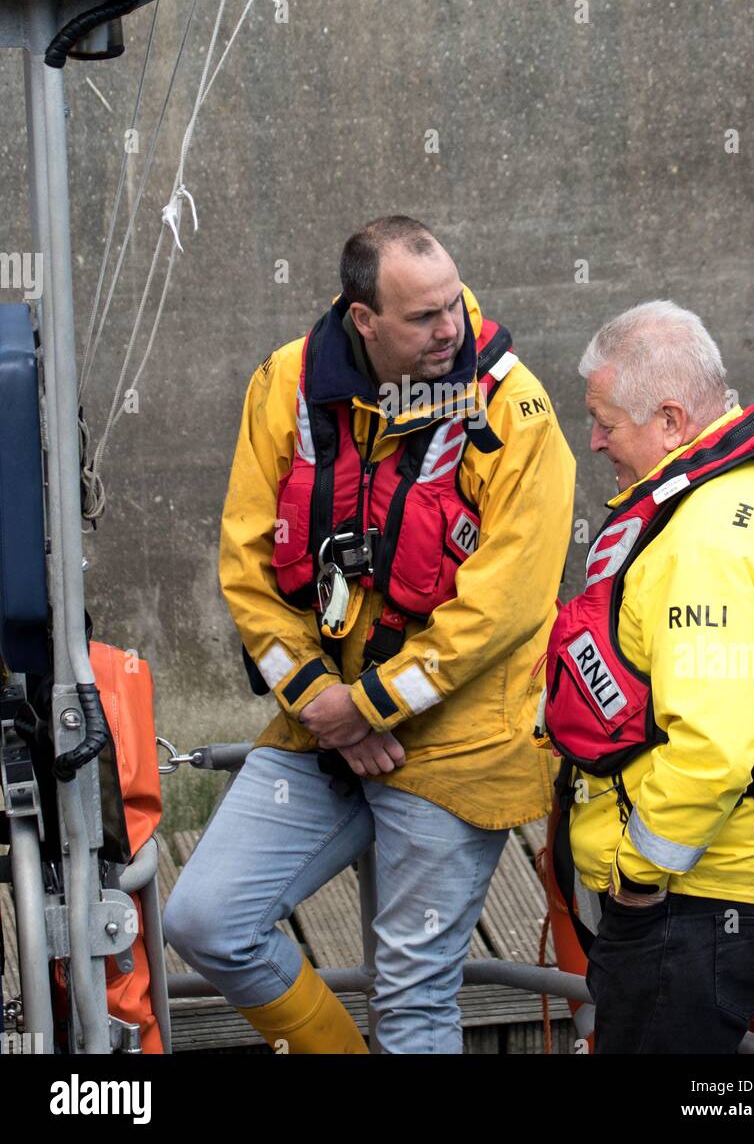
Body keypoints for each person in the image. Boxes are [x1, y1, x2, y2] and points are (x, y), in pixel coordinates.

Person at [164, 215, 575, 1054]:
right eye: (422, 317)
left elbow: (507, 606)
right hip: (326, 725)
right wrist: (324, 702)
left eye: (452, 305)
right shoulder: (285, 383)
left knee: (414, 993)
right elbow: (248, 570)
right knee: (205, 920)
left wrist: (373, 706)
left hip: (458, 746)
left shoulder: (515, 409)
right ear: (364, 320)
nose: (448, 328)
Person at [544, 300, 754, 1054]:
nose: (593, 441)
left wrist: (637, 881)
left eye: (606, 422)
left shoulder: (703, 542)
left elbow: (710, 751)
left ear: (673, 420)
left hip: (709, 901)